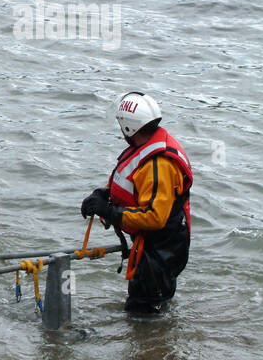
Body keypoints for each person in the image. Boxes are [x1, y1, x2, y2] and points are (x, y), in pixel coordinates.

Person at [80, 92, 193, 313]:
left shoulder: (158, 164)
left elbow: (154, 217)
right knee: (146, 311)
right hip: (154, 245)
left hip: (162, 250)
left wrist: (110, 212)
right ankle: (152, 342)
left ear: (129, 128)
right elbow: (133, 184)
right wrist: (103, 194)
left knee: (143, 310)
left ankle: (153, 342)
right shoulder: (146, 148)